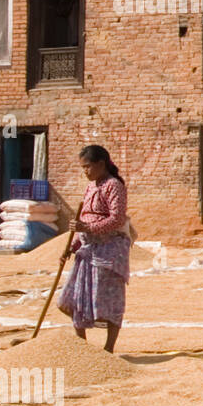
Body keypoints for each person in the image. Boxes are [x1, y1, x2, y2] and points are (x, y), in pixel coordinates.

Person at [57, 144, 131, 353]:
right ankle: (83, 347)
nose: (85, 172)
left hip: (109, 251)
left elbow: (116, 219)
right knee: (73, 298)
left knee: (109, 301)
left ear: (101, 164)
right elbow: (84, 220)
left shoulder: (113, 185)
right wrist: (73, 245)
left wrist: (87, 227)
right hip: (88, 249)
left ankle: (108, 349)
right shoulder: (91, 186)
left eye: (88, 167)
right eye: (83, 168)